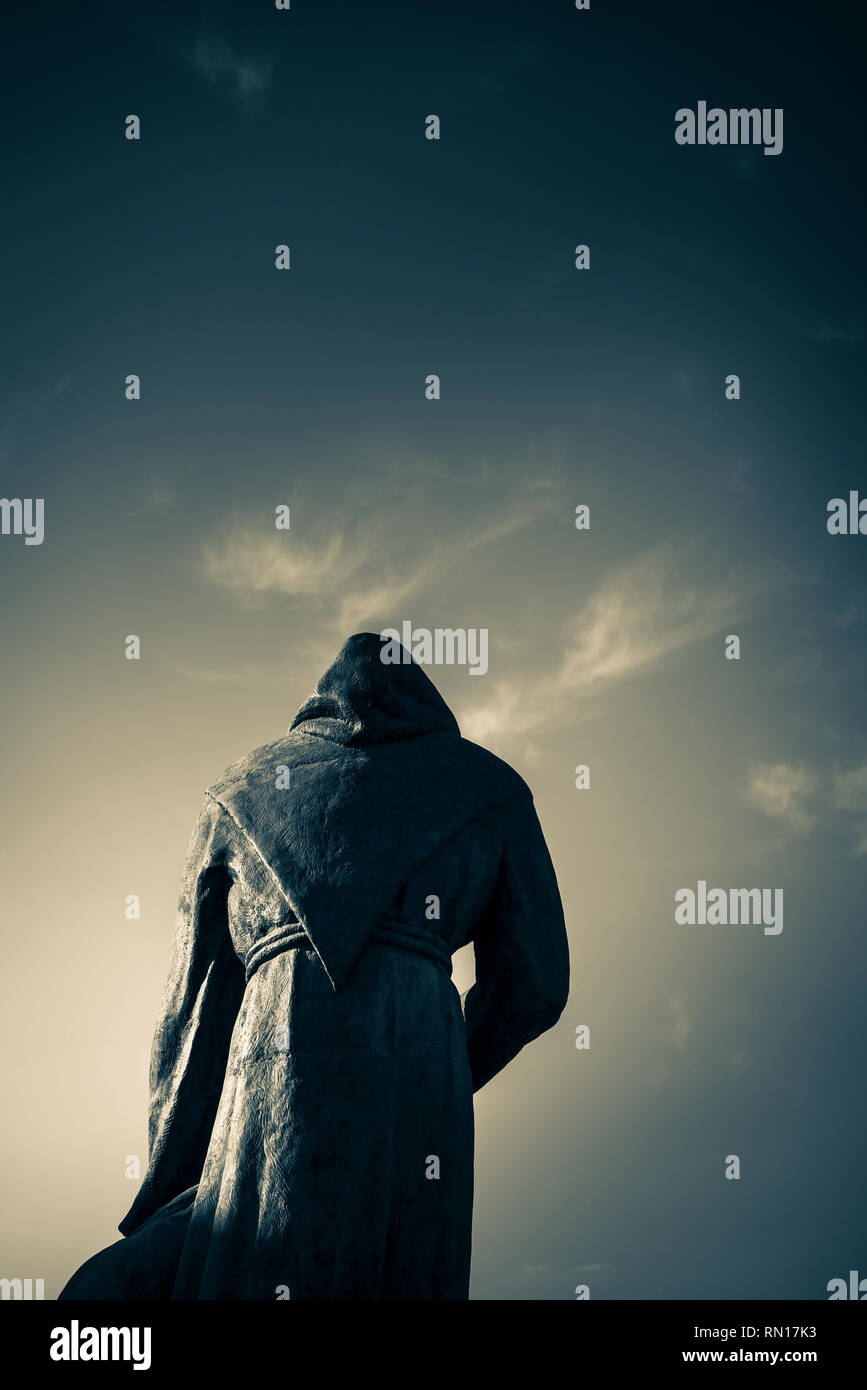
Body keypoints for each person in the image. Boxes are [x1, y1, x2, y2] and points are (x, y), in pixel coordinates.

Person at [60, 631, 569, 1300]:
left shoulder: (237, 792)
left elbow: (191, 1016)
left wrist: (174, 1175)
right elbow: (534, 987)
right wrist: (439, 1074)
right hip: (417, 1048)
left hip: (273, 1043)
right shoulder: (490, 786)